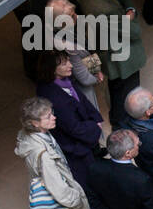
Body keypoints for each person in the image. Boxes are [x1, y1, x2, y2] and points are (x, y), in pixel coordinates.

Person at [16, 98, 94, 209]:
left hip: (44, 203)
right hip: (55, 203)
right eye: (48, 116)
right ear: (35, 123)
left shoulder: (29, 135)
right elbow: (56, 187)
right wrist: (75, 199)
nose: (54, 118)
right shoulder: (43, 155)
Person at [78, 0, 146, 128]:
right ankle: (123, 123)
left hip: (106, 50)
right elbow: (135, 32)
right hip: (119, 56)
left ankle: (120, 119)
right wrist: (130, 17)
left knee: (117, 87)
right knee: (126, 90)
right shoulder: (103, 10)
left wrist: (129, 10)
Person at [34, 49, 102, 191]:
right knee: (90, 183)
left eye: (69, 61)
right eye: (64, 64)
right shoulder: (55, 98)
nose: (70, 65)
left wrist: (96, 118)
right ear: (52, 70)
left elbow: (82, 99)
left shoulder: (64, 81)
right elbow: (74, 128)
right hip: (75, 147)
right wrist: (95, 128)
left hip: (83, 134)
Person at [43, 0, 106, 115]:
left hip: (81, 71)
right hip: (78, 85)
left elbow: (87, 50)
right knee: (92, 114)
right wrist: (96, 78)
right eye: (71, 16)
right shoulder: (67, 47)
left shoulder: (62, 29)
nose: (76, 16)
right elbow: (85, 79)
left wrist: (96, 69)